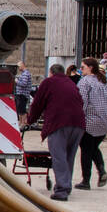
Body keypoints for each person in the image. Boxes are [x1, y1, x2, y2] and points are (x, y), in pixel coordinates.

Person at [26, 64, 86, 201]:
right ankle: (66, 186)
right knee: (68, 157)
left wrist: (30, 120)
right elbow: (80, 102)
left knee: (58, 157)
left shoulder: (49, 82)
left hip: (59, 123)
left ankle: (62, 190)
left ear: (51, 72)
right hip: (78, 124)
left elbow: (37, 104)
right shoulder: (70, 83)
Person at [75, 57, 107, 189]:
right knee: (93, 148)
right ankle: (101, 170)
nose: (81, 69)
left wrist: (77, 118)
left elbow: (82, 102)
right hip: (105, 121)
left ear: (90, 67)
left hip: (90, 121)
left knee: (86, 150)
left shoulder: (85, 82)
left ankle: (86, 180)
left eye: (83, 67)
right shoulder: (106, 81)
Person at [13, 61, 34, 127]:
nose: (18, 68)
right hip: (20, 94)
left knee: (22, 109)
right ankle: (20, 122)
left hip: (23, 94)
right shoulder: (24, 73)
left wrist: (16, 81)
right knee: (20, 109)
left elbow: (23, 84)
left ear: (22, 65)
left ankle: (23, 123)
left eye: (19, 66)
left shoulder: (25, 74)